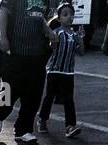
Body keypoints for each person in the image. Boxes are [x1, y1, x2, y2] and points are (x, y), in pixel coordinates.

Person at [0, 0, 49, 142]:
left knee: (33, 93)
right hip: (14, 50)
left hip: (37, 52)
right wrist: (2, 36)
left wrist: (50, 33)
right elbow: (3, 11)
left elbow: (43, 17)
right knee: (9, 89)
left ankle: (24, 129)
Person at [37, 1, 82, 136]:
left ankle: (70, 126)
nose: (69, 17)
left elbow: (81, 52)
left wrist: (81, 39)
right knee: (49, 96)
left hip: (68, 72)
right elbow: (52, 47)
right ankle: (42, 120)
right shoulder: (56, 32)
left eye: (71, 14)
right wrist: (52, 40)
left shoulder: (74, 35)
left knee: (69, 99)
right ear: (59, 18)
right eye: (65, 14)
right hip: (55, 71)